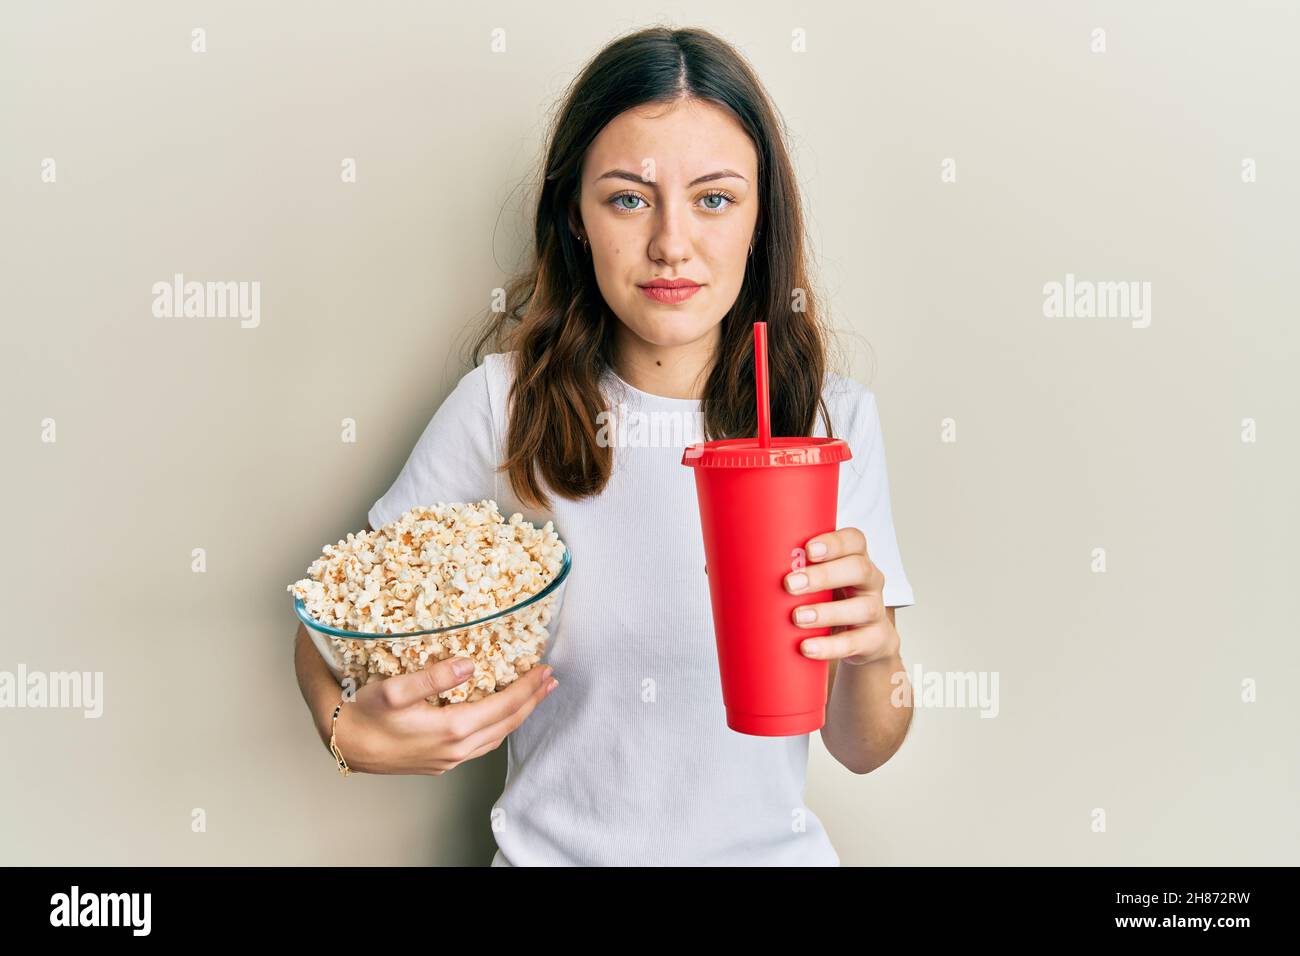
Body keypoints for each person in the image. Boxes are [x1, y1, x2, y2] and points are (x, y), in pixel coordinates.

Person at [294, 25, 916, 866]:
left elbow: (864, 745)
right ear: (576, 218)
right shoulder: (502, 409)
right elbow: (332, 623)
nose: (670, 242)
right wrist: (347, 735)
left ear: (760, 216)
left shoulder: (826, 424)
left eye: (715, 198)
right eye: (628, 198)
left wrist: (876, 647)